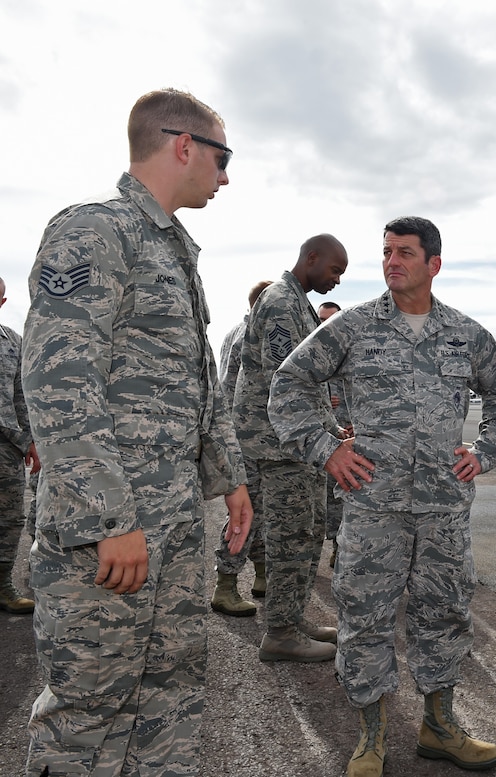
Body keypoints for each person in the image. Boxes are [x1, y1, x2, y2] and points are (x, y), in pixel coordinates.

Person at [21, 88, 252, 777]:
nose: (225, 174)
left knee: (168, 701)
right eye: (221, 156)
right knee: (86, 716)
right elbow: (58, 380)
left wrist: (230, 479)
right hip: (112, 537)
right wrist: (108, 515)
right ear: (183, 145)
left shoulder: (176, 249)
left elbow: (198, 384)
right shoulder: (96, 231)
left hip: (174, 530)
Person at [268, 216, 496, 776]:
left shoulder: (466, 334)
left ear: (433, 264)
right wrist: (326, 449)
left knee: (446, 613)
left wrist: (483, 452)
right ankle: (372, 736)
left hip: (443, 510)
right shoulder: (353, 328)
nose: (391, 262)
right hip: (373, 506)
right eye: (386, 252)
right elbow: (288, 383)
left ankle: (439, 727)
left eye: (404, 253)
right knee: (365, 617)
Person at [233, 234, 348, 662]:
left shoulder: (295, 301)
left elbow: (308, 386)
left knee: (307, 531)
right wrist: (322, 436)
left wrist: (332, 432)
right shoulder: (282, 303)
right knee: (292, 535)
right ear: (311, 258)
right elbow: (288, 381)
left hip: (293, 443)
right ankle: (280, 632)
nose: (336, 280)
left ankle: (292, 617)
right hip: (282, 445)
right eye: (334, 270)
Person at [210, 279, 273, 616]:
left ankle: (262, 576)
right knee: (245, 515)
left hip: (244, 437)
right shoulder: (253, 335)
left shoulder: (236, 330)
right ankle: (225, 585)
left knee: (259, 513)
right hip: (251, 440)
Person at [0, 277, 40, 614]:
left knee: (9, 520)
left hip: (7, 449)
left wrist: (31, 440)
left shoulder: (12, 342)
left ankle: (2, 586)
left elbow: (22, 395)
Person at [317, 300, 350, 569]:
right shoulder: (311, 356)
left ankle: (341, 548)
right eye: (322, 320)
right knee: (318, 503)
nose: (326, 325)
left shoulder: (354, 352)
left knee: (345, 499)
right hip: (320, 442)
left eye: (331, 319)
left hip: (350, 440)